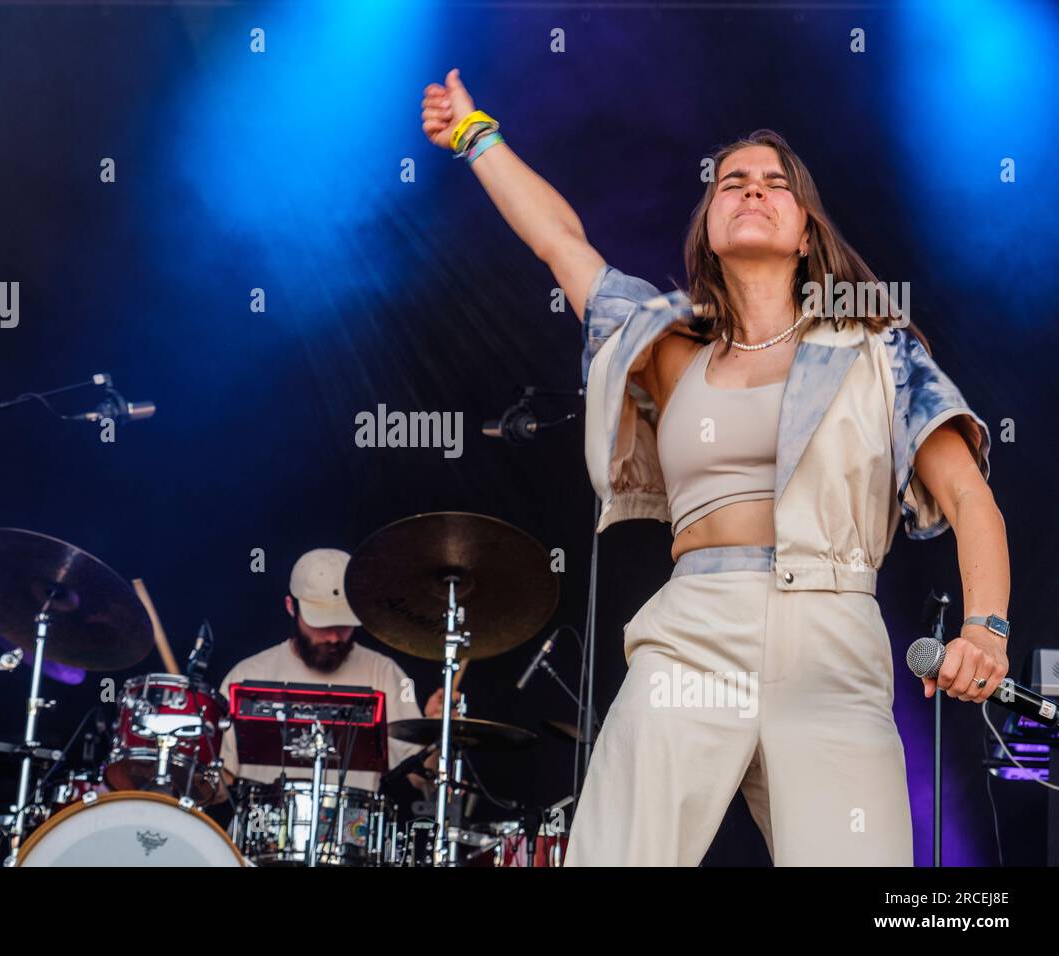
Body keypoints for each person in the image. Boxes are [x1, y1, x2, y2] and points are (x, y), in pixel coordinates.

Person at [421, 70, 1010, 866]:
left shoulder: (879, 348)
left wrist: (987, 629)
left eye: (776, 183)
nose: (754, 191)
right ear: (709, 225)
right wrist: (475, 135)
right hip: (696, 631)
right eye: (733, 182)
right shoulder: (667, 349)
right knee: (614, 853)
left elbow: (970, 497)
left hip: (831, 635)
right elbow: (561, 242)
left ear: (806, 232)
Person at [215, 548, 454, 795]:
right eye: (321, 624)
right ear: (291, 607)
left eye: (343, 625)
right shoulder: (246, 675)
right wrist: (187, 774)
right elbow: (220, 782)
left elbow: (423, 780)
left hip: (350, 830)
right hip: (258, 829)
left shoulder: (386, 674)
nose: (333, 637)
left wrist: (438, 734)